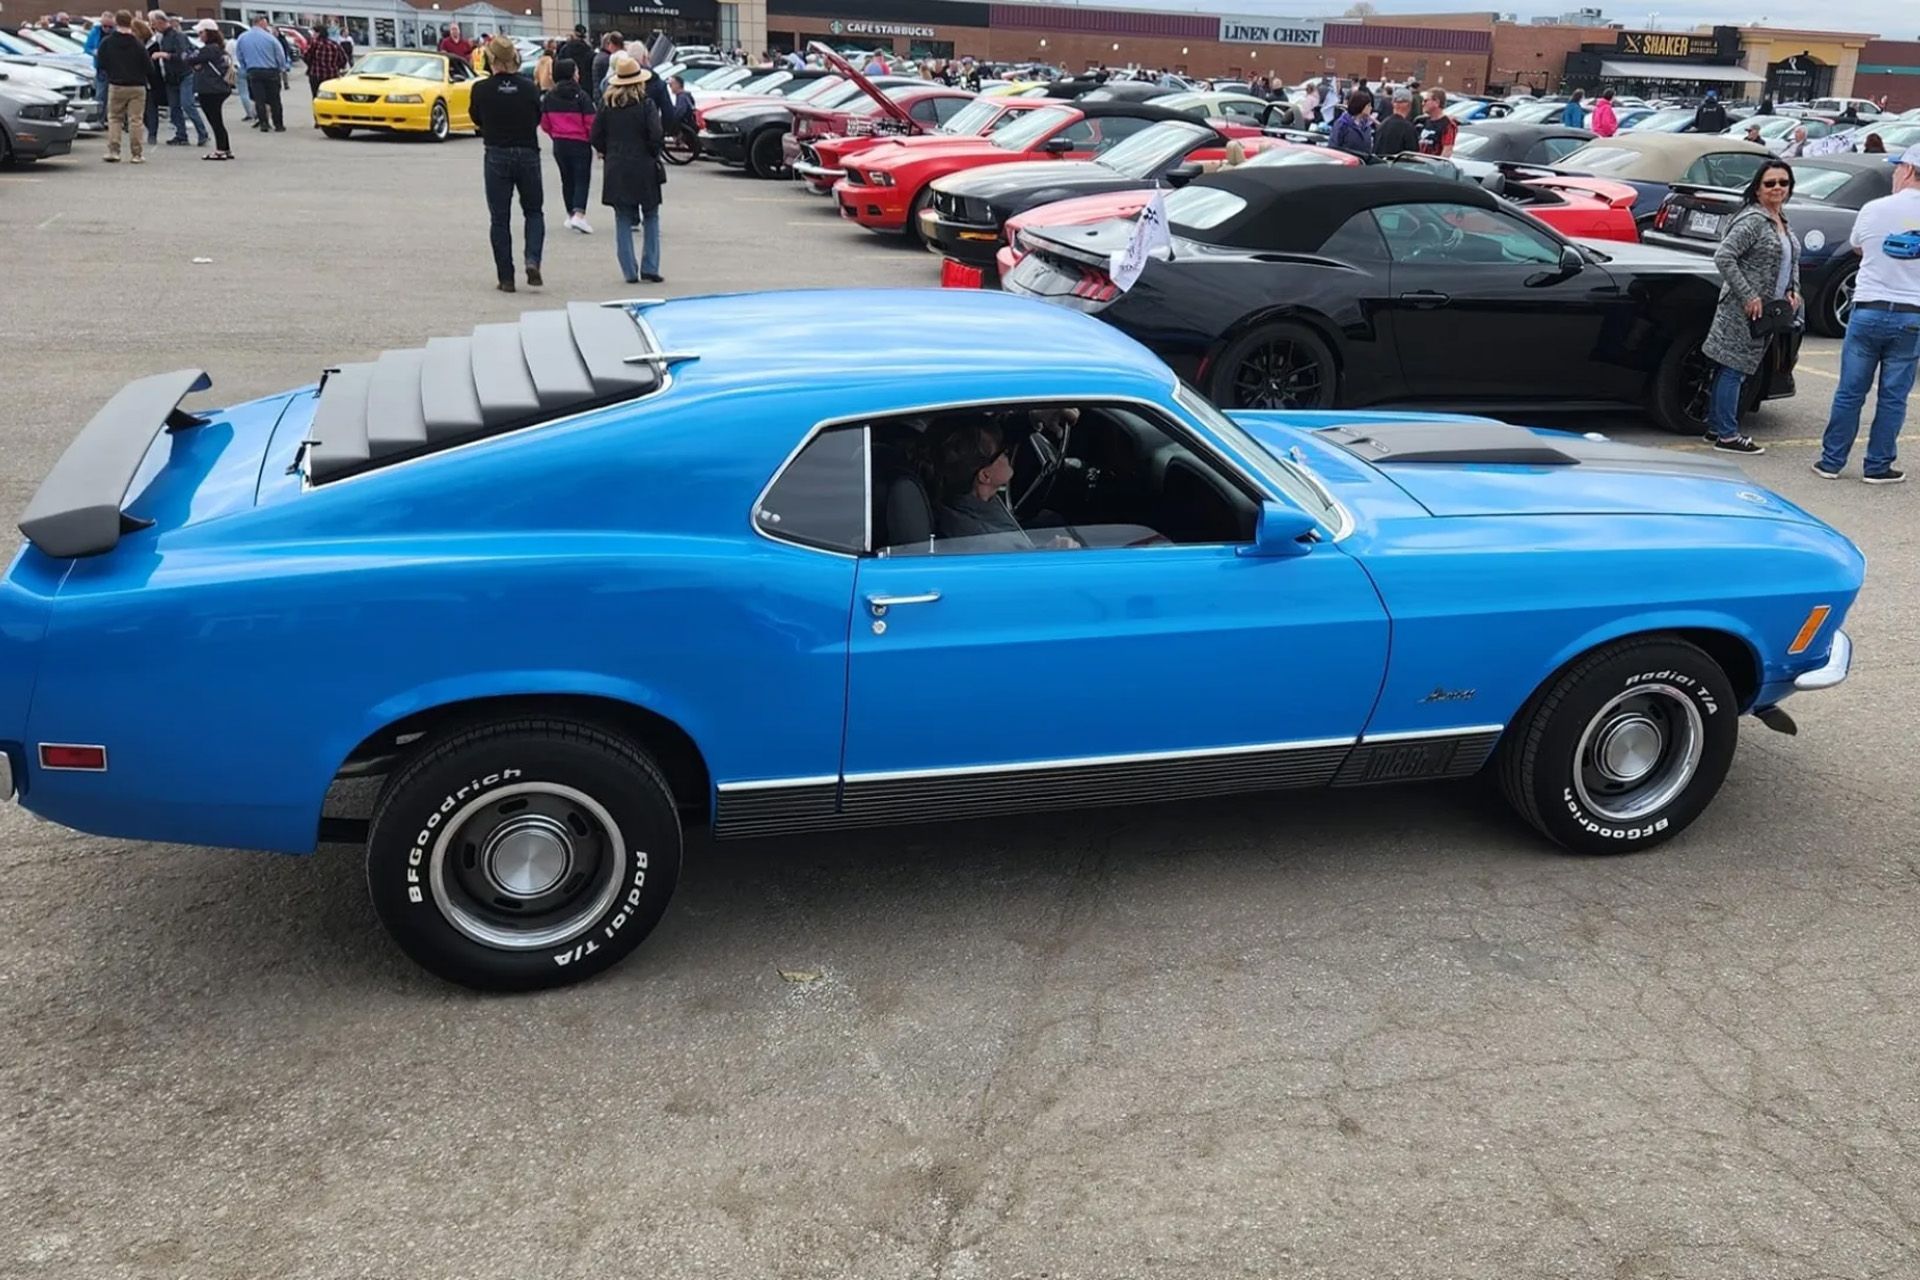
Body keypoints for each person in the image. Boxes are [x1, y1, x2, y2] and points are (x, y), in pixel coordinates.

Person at [1814, 143, 1920, 483]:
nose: (1893, 174)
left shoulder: (1873, 208)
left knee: (1850, 391)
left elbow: (1859, 246)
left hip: (1868, 308)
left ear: (1907, 171)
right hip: (1911, 313)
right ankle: (1877, 465)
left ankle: (1831, 461)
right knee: (1893, 396)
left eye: (1897, 168)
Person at [1701, 159, 1801, 455]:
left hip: (1770, 311)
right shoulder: (1753, 220)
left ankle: (1716, 428)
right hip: (1742, 310)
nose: (1777, 188)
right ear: (1757, 189)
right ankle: (1728, 436)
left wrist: (1793, 289)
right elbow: (1724, 256)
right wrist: (1748, 295)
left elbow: (1790, 258)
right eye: (1770, 183)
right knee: (1734, 368)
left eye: (1783, 183)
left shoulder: (1780, 218)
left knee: (1734, 369)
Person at [470, 36, 544, 292]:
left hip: (496, 152)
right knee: (534, 211)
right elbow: (537, 116)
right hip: (527, 152)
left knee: (499, 218)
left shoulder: (481, 89)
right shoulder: (529, 88)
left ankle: (506, 277)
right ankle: (532, 258)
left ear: (491, 61)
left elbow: (476, 118)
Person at [592, 54, 665, 284]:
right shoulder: (646, 105)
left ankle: (629, 271)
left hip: (617, 167)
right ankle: (650, 266)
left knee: (622, 217)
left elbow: (595, 136)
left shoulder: (607, 106)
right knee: (651, 215)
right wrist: (652, 153)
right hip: (644, 165)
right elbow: (656, 135)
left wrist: (608, 151)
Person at [541, 59, 595, 234]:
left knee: (567, 179)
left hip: (559, 142)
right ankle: (579, 214)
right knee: (581, 178)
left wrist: (555, 134)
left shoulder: (549, 96)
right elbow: (590, 122)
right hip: (579, 141)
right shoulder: (582, 95)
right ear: (572, 74)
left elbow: (544, 123)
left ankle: (570, 213)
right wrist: (592, 139)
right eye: (576, 71)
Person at [95, 9, 148, 163]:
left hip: (117, 84)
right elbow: (148, 66)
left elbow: (100, 64)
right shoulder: (137, 44)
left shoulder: (107, 42)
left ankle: (114, 151)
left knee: (114, 118)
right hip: (137, 86)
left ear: (116, 22)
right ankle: (137, 154)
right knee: (135, 120)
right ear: (130, 22)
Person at [184, 24, 233, 159]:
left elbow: (189, 59)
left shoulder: (208, 50)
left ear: (208, 33)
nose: (199, 36)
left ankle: (221, 150)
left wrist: (191, 59)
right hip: (220, 87)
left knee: (215, 120)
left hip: (211, 89)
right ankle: (225, 148)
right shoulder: (220, 49)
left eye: (201, 32)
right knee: (217, 120)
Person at [234, 14, 287, 132]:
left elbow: (239, 54)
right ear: (261, 23)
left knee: (259, 99)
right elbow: (280, 55)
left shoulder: (243, 37)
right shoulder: (270, 38)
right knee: (275, 100)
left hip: (253, 71)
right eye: (266, 22)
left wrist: (245, 66)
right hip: (271, 71)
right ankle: (278, 124)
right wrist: (281, 68)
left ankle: (264, 123)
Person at [303, 23, 346, 124]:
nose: (312, 35)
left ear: (318, 33)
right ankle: (334, 117)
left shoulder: (315, 44)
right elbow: (343, 59)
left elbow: (306, 56)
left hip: (316, 75)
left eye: (314, 33)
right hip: (331, 76)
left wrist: (311, 64)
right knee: (332, 99)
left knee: (316, 98)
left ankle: (318, 120)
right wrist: (335, 67)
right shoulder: (335, 44)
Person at [1329, 89, 1374, 157]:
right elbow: (1333, 147)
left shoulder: (1367, 126)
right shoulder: (1342, 124)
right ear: (1360, 105)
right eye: (1368, 105)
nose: (1371, 108)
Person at [1374, 87, 1417, 157]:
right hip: (1398, 166)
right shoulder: (1408, 128)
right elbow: (1412, 156)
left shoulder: (1382, 125)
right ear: (1409, 104)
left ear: (1393, 103)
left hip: (1380, 165)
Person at [1416, 88, 1457, 157]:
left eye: (1426, 101)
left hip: (1432, 165)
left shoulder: (1447, 124)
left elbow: (1447, 151)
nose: (1423, 103)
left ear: (1437, 102)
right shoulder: (1421, 121)